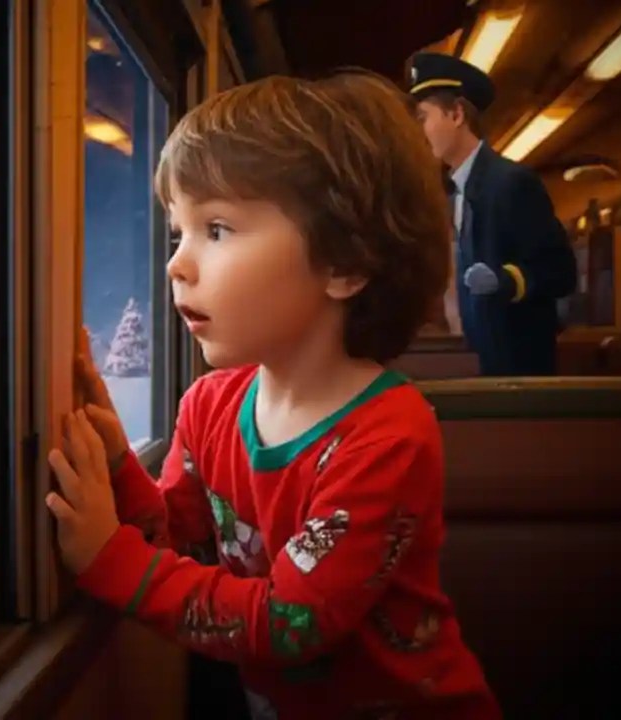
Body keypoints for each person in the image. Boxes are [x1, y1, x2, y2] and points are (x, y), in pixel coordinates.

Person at [45, 71, 500, 719]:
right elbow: (183, 545)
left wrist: (107, 560)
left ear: (344, 263)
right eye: (178, 232)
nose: (176, 263)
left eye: (217, 229)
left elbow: (289, 622)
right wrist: (117, 462)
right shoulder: (209, 405)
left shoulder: (388, 435)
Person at [409, 51, 577, 376]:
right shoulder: (455, 191)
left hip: (519, 372)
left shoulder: (510, 182)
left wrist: (505, 281)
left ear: (456, 115)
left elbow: (560, 271)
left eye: (423, 118)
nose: (418, 132)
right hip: (480, 364)